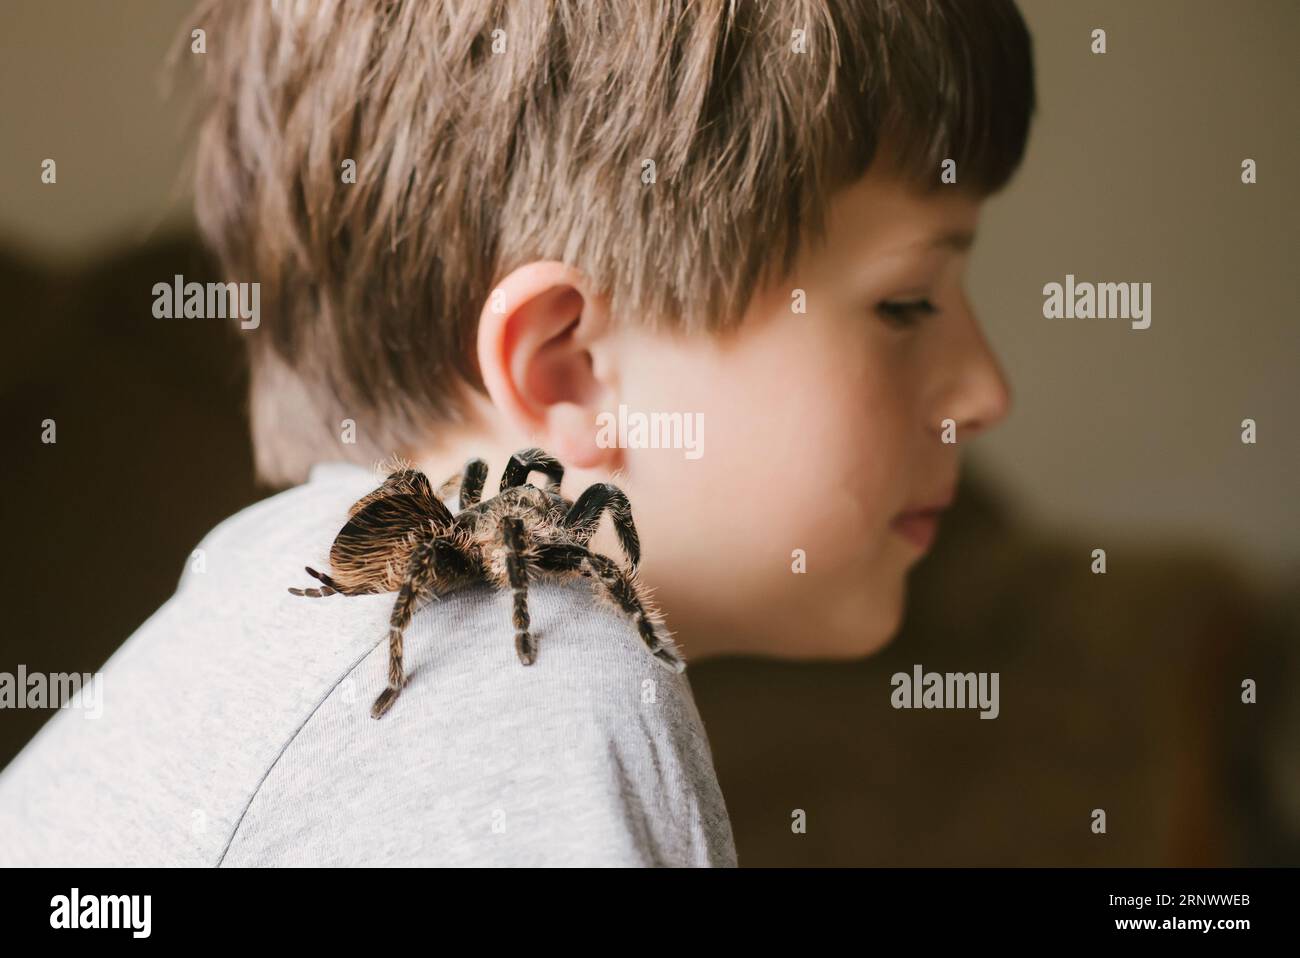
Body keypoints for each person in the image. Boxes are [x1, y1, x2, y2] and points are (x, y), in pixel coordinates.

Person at [0, 0, 1034, 866]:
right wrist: (544, 633)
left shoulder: (246, 578)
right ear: (568, 366)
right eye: (905, 302)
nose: (985, 389)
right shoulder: (531, 687)